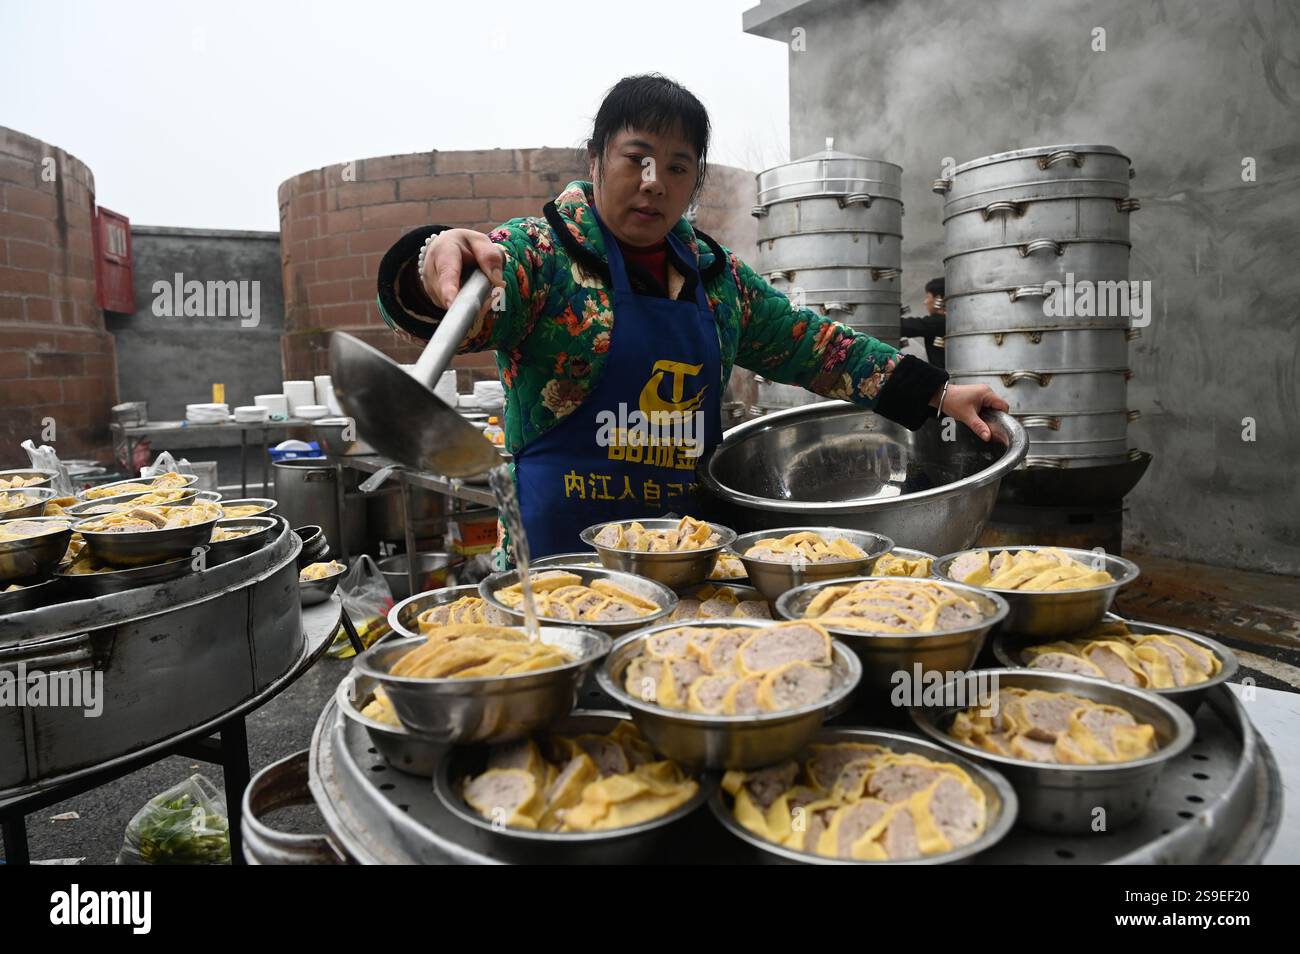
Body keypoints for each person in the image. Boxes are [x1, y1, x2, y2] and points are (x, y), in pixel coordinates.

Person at [377, 74, 1007, 558]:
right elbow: (464, 299)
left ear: (694, 181)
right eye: (636, 158)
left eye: (678, 167)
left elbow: (819, 349)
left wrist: (939, 392)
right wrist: (431, 260)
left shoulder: (718, 281)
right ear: (594, 160)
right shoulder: (538, 255)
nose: (655, 182)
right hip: (555, 564)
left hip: (684, 560)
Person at [901, 276, 946, 368]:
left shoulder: (939, 322)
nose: (925, 302)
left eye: (927, 297)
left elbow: (902, 326)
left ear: (938, 299)